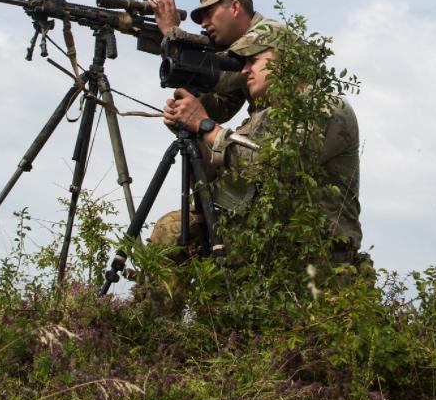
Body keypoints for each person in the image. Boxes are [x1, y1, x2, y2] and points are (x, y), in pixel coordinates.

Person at [142, 23, 365, 309]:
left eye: (253, 61)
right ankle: (153, 330)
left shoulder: (325, 107)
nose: (245, 71)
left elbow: (271, 166)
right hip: (259, 239)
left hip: (315, 252)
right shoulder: (265, 117)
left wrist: (206, 126)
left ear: (286, 61)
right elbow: (222, 179)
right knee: (173, 229)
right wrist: (193, 134)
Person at [147, 0, 281, 123]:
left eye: (209, 14)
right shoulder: (240, 61)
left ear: (235, 7)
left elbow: (216, 73)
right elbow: (219, 111)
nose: (203, 24)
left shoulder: (269, 32)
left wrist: (171, 33)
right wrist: (186, 108)